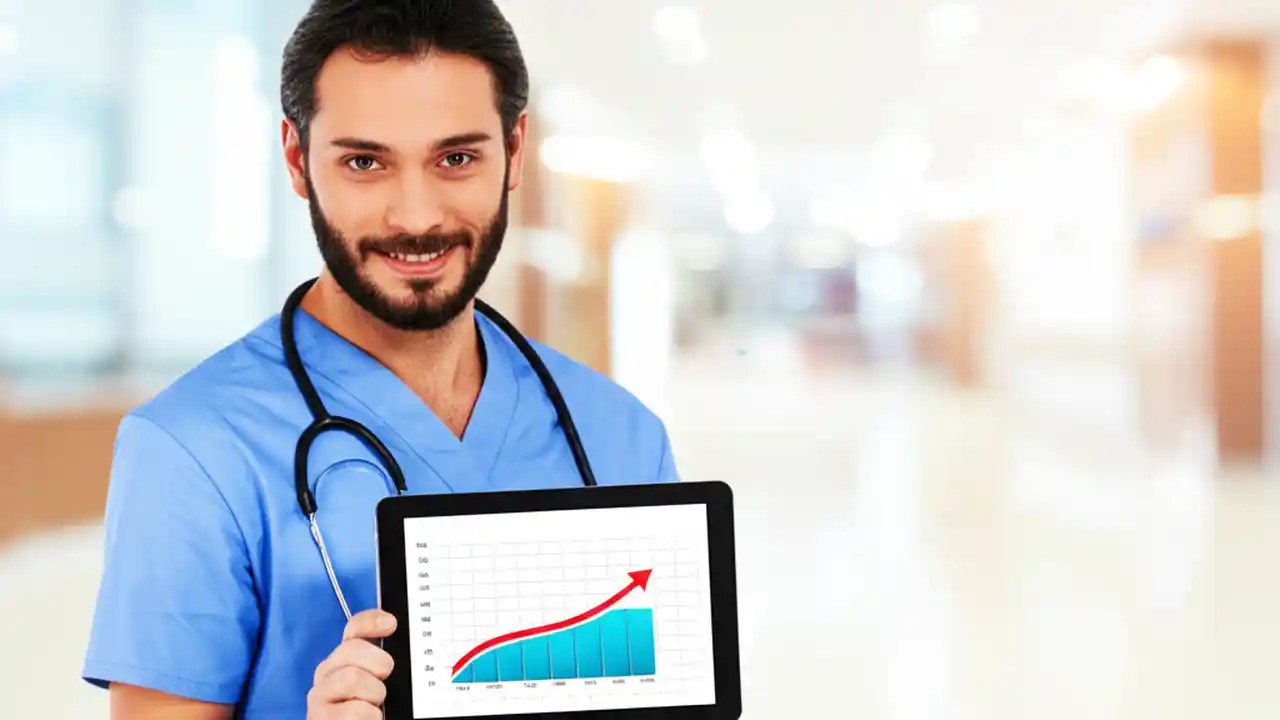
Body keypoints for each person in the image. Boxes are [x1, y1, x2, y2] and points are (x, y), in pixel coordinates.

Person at [80, 1, 679, 717]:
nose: (416, 216)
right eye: (365, 162)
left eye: (456, 158)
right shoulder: (193, 448)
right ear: (298, 160)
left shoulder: (619, 436)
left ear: (515, 151)